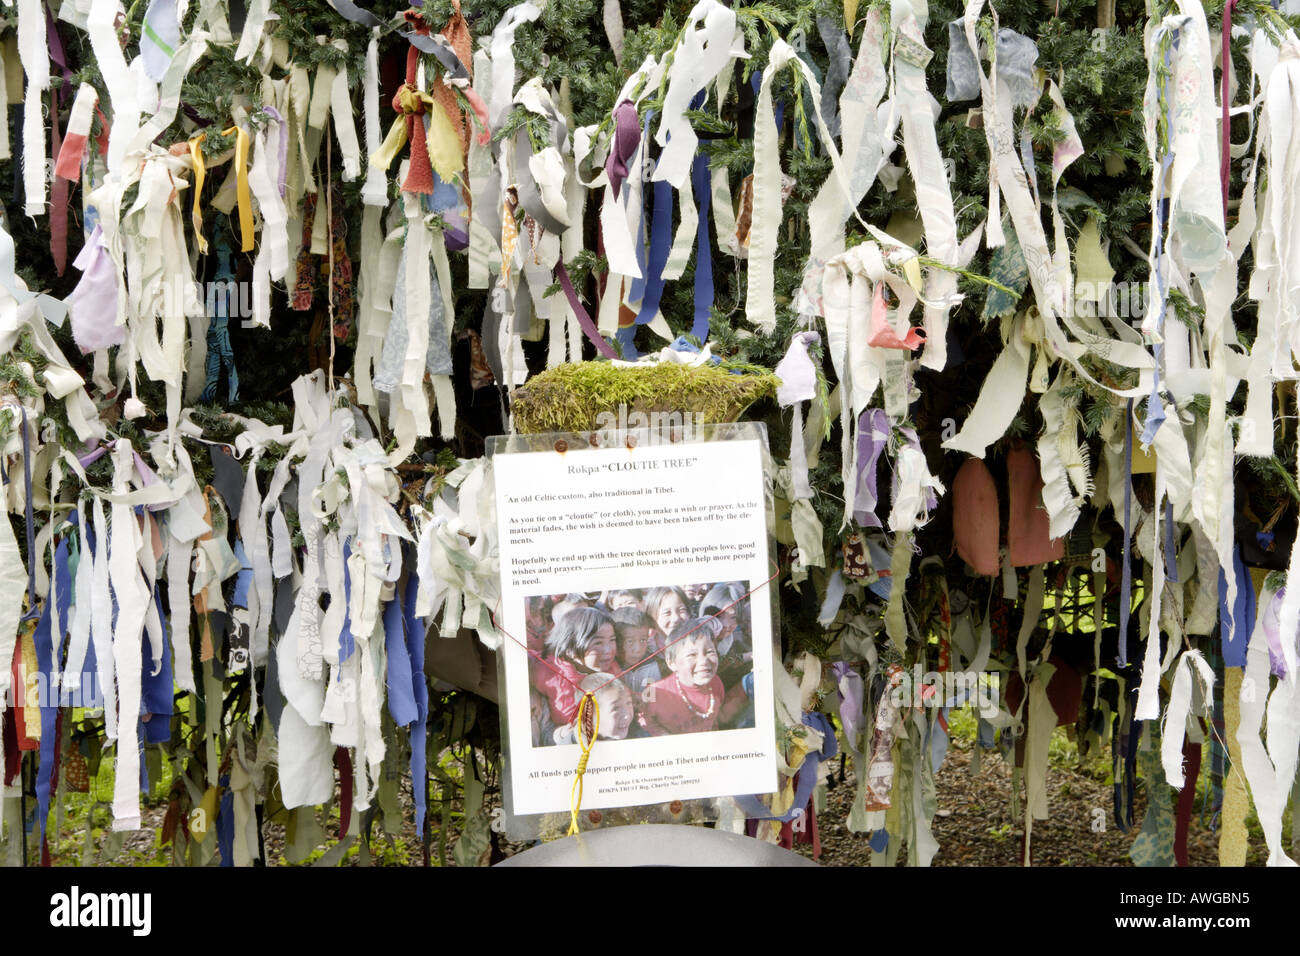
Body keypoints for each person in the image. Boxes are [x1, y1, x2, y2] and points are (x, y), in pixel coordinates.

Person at [641, 618, 748, 736]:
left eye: (710, 652)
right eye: (692, 655)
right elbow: (644, 721)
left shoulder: (716, 683)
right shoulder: (656, 692)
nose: (704, 661)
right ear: (671, 662)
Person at [539, 606, 617, 726]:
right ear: (570, 648)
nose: (608, 650)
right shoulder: (548, 674)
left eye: (612, 640)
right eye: (598, 643)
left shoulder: (612, 669)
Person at [551, 673, 639, 745]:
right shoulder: (570, 748)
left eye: (629, 703)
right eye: (615, 708)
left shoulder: (636, 733)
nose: (627, 715)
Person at [698, 583, 752, 689]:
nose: (726, 625)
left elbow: (728, 661)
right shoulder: (697, 638)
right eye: (719, 616)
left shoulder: (728, 640)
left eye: (733, 618)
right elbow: (724, 662)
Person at [610, 607, 663, 697]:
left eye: (643, 640)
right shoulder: (608, 668)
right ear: (616, 641)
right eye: (630, 641)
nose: (638, 649)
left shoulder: (655, 666)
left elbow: (654, 699)